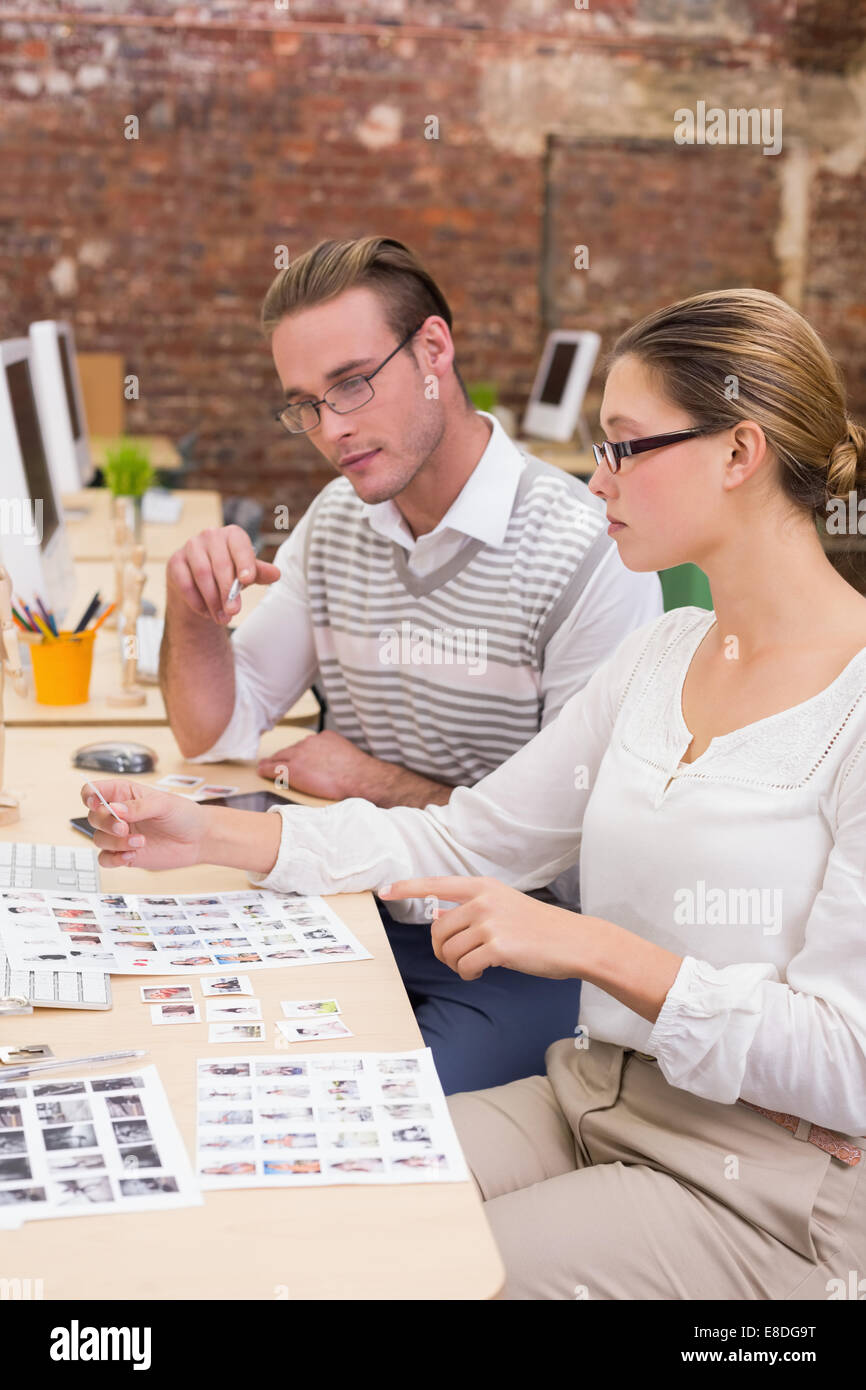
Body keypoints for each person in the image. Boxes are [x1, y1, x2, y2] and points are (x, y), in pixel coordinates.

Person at [85, 286, 866, 1300]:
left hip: (759, 1185)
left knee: (422, 1275)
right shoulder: (658, 653)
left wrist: (584, 945)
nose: (596, 481)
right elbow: (470, 840)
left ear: (736, 452)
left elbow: (844, 1061)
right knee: (300, 1193)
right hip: (591, 1096)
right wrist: (209, 836)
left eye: (625, 447)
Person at [159, 235, 661, 1091]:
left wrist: (379, 781)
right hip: (352, 897)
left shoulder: (586, 554)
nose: (333, 429)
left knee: (372, 1118)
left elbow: (586, 858)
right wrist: (192, 611)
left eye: (353, 383)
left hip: (505, 941)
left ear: (434, 350)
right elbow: (218, 732)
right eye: (305, 405)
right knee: (201, 1059)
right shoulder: (338, 520)